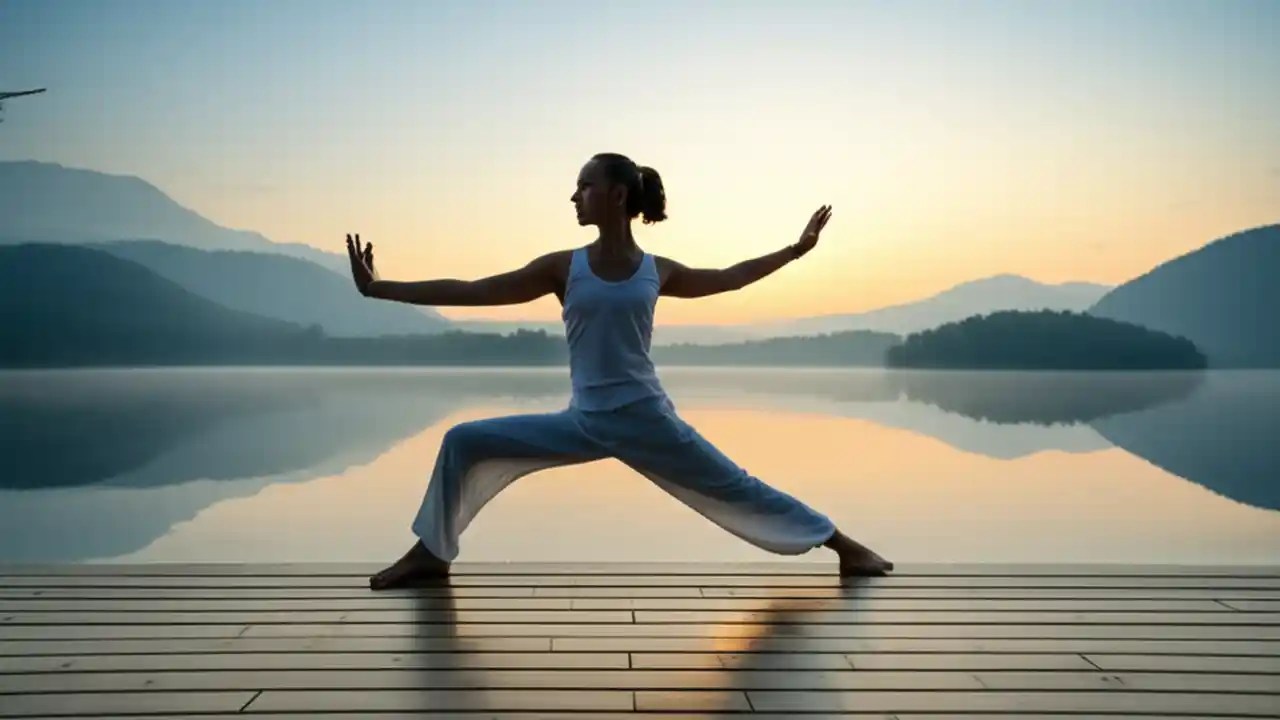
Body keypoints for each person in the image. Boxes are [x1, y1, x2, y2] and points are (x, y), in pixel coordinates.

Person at [345, 152, 893, 590]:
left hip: (646, 417)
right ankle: (431, 555)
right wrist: (378, 288)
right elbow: (474, 291)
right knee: (462, 441)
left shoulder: (656, 271)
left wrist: (796, 250)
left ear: (617, 195)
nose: (574, 196)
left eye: (583, 186)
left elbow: (730, 277)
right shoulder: (564, 267)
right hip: (584, 419)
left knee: (736, 485)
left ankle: (845, 547)